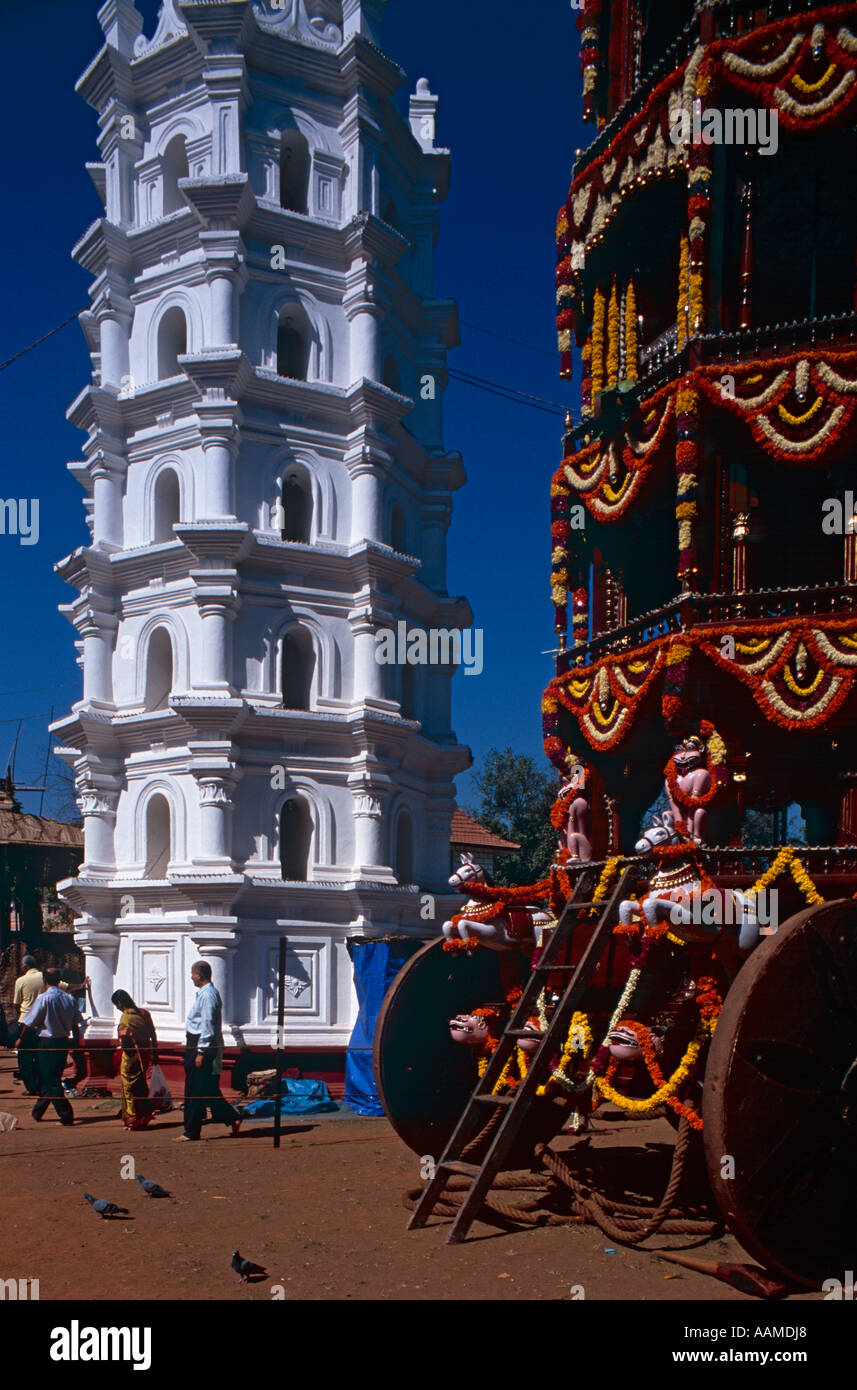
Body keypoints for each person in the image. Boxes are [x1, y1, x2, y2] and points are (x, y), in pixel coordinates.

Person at [177, 961, 241, 1142]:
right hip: (197, 1043)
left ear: (199, 975)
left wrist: (201, 1051)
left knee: (195, 1089)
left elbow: (207, 1024)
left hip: (201, 1044)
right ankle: (231, 1117)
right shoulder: (206, 994)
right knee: (207, 1087)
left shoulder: (208, 996)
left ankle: (191, 1131)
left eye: (193, 974)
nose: (191, 977)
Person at [21, 969, 82, 1126]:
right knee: (52, 1076)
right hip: (63, 1041)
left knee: (51, 1079)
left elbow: (30, 1022)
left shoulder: (44, 998)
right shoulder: (69, 998)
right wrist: (76, 1042)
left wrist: (20, 1038)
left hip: (47, 1042)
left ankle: (66, 1114)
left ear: (44, 980)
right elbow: (75, 1023)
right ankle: (38, 1111)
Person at [112, 989, 160, 1130]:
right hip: (145, 1055)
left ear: (119, 1003)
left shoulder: (126, 1019)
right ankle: (142, 1115)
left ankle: (132, 1117)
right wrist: (154, 1052)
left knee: (129, 1088)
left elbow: (126, 1042)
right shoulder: (144, 1014)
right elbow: (153, 1034)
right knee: (141, 1086)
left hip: (131, 1057)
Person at [13, 956, 44, 1096]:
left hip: (25, 1023)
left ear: (25, 967)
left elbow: (16, 1003)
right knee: (39, 1056)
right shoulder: (46, 977)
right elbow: (65, 986)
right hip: (43, 1024)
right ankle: (41, 1084)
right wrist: (82, 985)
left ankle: (32, 1087)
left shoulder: (21, 981)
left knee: (25, 1058)